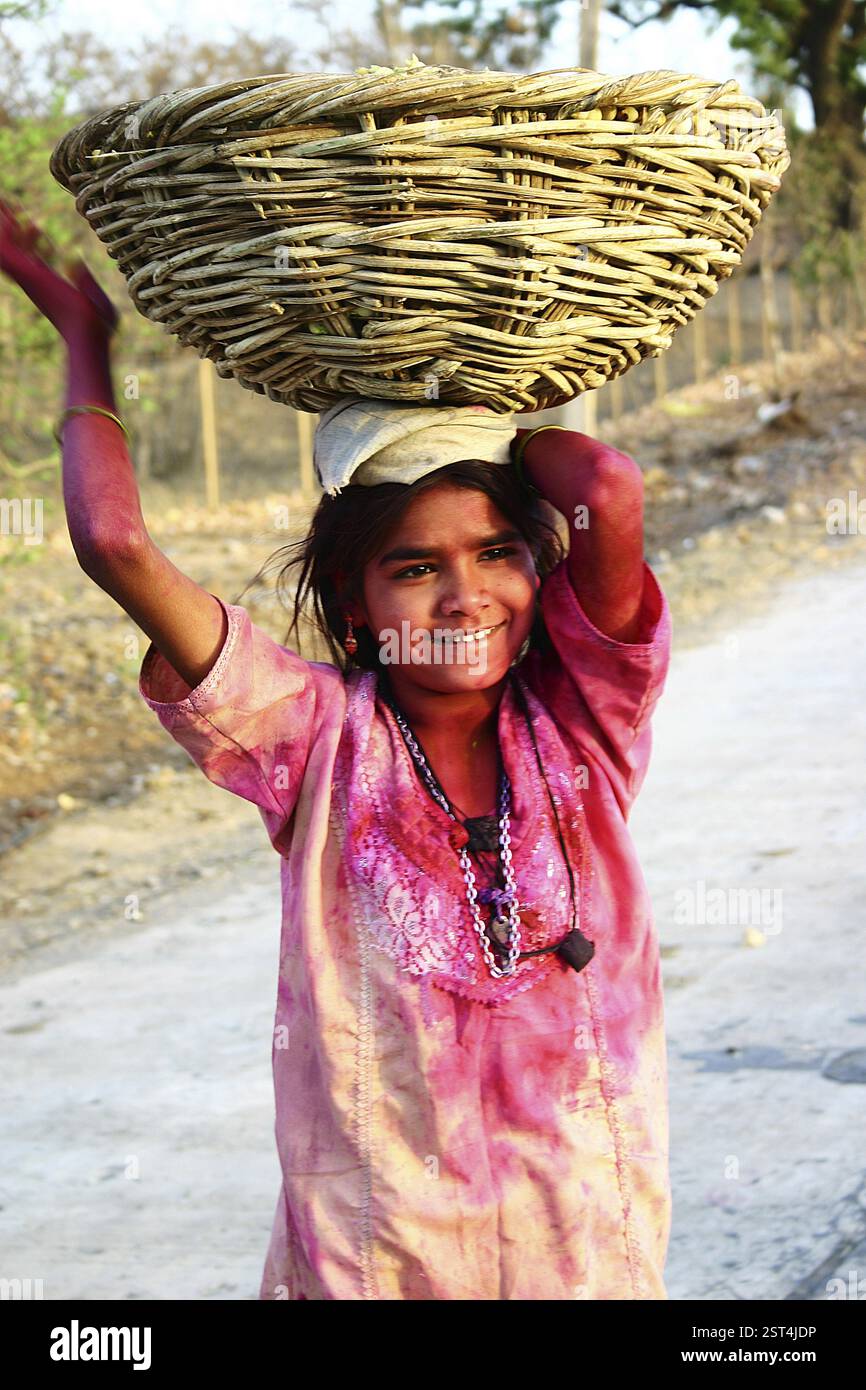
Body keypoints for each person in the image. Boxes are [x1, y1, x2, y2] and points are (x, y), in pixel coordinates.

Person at [1, 197, 673, 1300]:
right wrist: (82, 332)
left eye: (497, 553)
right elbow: (113, 542)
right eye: (414, 567)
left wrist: (473, 407)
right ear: (357, 611)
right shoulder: (312, 740)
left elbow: (604, 488)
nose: (465, 595)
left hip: (587, 1261)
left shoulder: (585, 724)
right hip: (378, 1266)